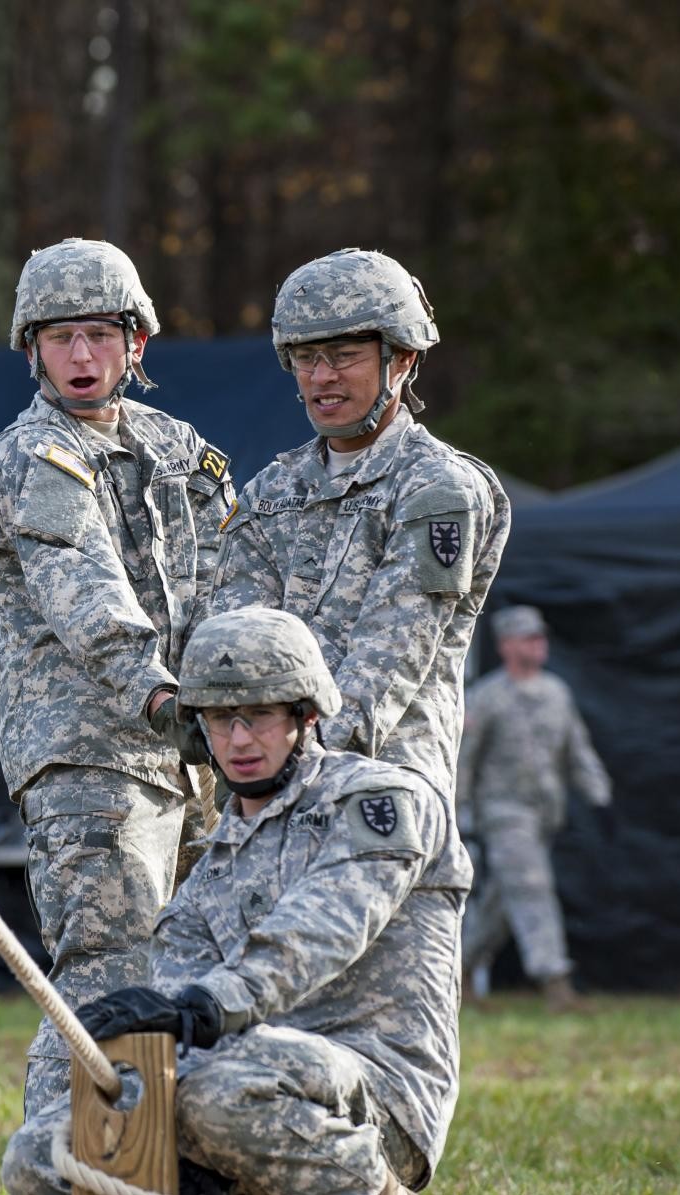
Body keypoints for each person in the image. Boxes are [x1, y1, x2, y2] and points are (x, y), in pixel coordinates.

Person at [1, 606, 468, 1195]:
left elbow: (319, 932)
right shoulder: (211, 871)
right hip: (231, 1078)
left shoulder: (382, 802)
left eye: (261, 715)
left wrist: (200, 1009)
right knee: (44, 1151)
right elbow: (181, 1011)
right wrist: (145, 1045)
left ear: (307, 713)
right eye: (222, 718)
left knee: (216, 1096)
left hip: (376, 1087)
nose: (240, 739)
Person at [0, 237, 235, 1116]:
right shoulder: (31, 456)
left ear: (135, 342)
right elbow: (87, 594)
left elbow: (238, 571)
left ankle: (175, 1157)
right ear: (31, 350)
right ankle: (50, 1156)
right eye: (60, 337)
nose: (81, 355)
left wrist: (253, 696)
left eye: (100, 335)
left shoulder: (175, 446)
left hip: (196, 757)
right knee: (106, 978)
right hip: (92, 760)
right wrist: (164, 697)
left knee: (206, 975)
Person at [207, 248, 510, 801]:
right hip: (259, 796)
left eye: (345, 356)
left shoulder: (436, 488)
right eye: (306, 358)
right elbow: (235, 650)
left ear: (402, 358)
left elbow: (388, 661)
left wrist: (286, 772)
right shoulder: (269, 493)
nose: (322, 377)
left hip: (376, 799)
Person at [457, 604, 613, 1011]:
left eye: (540, 636)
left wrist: (598, 793)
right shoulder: (487, 698)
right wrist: (458, 811)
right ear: (506, 645)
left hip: (545, 814)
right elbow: (465, 760)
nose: (538, 644)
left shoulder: (556, 694)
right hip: (503, 814)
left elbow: (577, 749)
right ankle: (555, 982)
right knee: (532, 887)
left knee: (504, 901)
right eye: (528, 637)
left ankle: (460, 968)